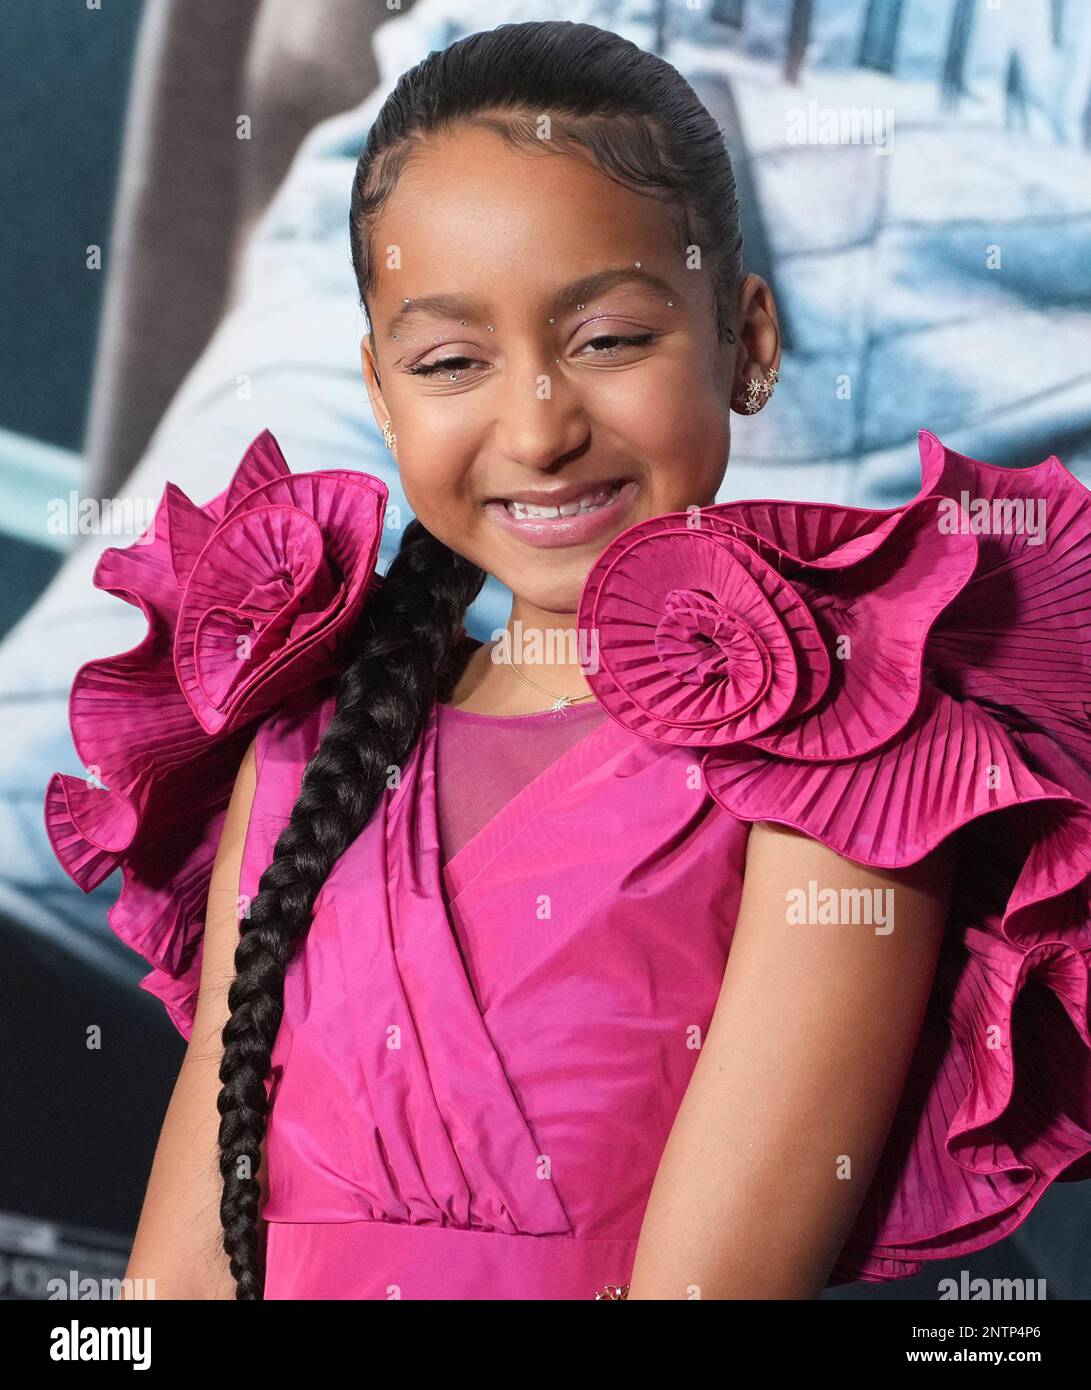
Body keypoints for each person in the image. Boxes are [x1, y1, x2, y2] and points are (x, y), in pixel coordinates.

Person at [45, 21, 1091, 1301]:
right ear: (379, 393)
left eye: (605, 339)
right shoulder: (296, 748)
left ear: (745, 344)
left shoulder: (839, 776)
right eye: (450, 363)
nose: (538, 426)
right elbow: (170, 1294)